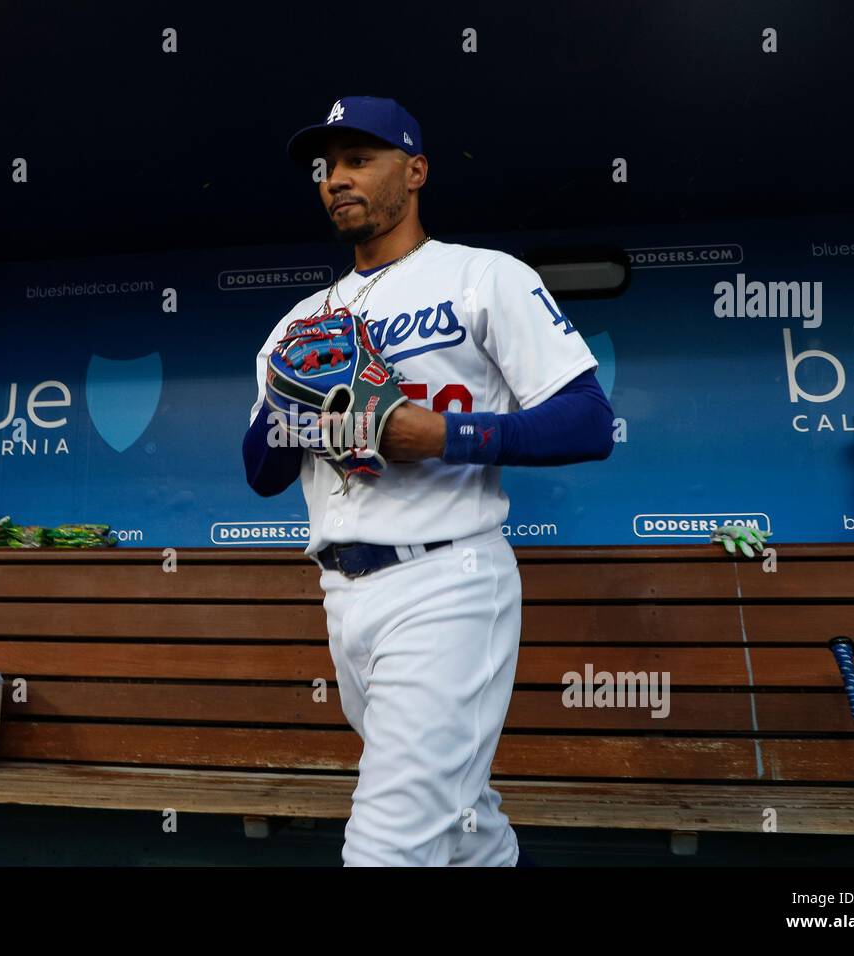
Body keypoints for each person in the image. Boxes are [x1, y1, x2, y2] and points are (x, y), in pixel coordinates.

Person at [242, 96, 615, 866]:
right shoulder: (297, 322)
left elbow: (587, 422)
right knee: (463, 822)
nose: (337, 178)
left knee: (387, 845)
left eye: (359, 159)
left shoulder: (482, 276)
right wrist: (294, 402)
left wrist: (441, 434)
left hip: (447, 580)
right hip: (343, 596)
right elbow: (262, 472)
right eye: (328, 166)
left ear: (414, 171)